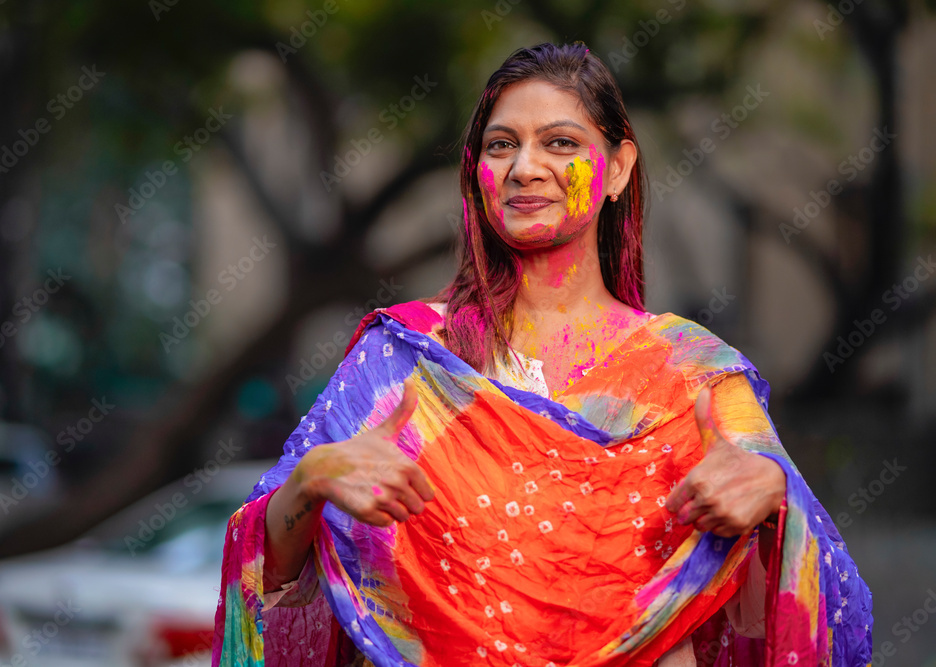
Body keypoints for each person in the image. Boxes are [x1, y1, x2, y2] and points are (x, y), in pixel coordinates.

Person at [213, 42, 873, 666]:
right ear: (477, 173)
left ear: (617, 168)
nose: (525, 167)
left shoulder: (688, 370)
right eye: (502, 145)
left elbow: (828, 597)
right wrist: (311, 480)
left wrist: (773, 496)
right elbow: (264, 577)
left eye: (559, 142)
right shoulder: (404, 360)